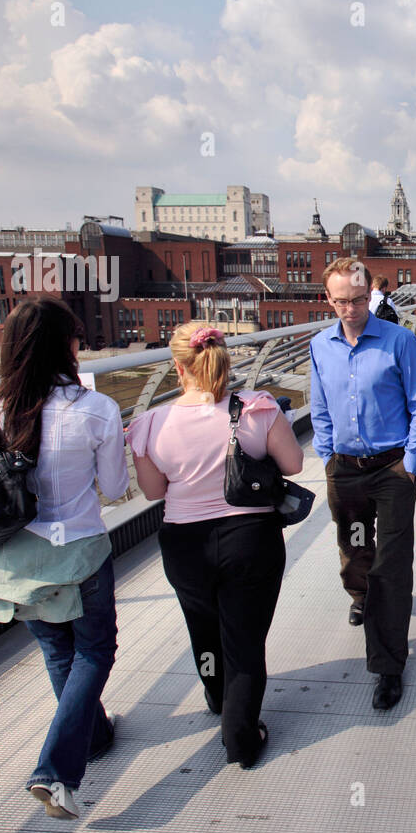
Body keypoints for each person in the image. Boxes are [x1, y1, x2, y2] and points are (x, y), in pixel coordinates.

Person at [0, 298, 128, 820]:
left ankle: (95, 735)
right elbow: (117, 487)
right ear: (65, 345)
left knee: (59, 653)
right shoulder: (94, 408)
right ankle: (55, 773)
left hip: (11, 560)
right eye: (76, 337)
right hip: (76, 552)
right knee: (94, 651)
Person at [128, 321, 304, 768]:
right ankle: (242, 737)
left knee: (203, 628)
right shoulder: (257, 408)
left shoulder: (149, 423)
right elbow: (295, 463)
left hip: (184, 545)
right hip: (250, 539)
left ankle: (215, 696)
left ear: (177, 367)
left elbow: (152, 492)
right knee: (243, 638)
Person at [310, 258, 416, 709]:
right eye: (341, 301)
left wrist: (413, 462)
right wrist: (326, 457)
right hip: (344, 467)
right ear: (329, 299)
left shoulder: (400, 341)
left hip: (392, 468)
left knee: (393, 563)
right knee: (354, 548)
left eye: (358, 300)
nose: (350, 309)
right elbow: (319, 406)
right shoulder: (319, 345)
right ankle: (360, 595)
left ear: (371, 296)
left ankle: (387, 665)